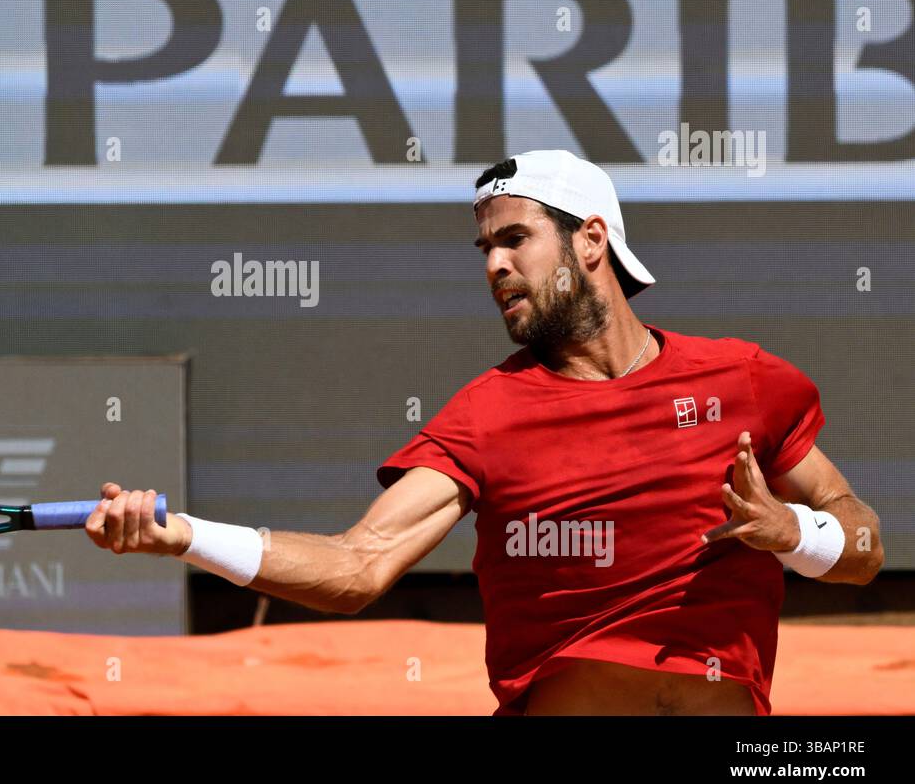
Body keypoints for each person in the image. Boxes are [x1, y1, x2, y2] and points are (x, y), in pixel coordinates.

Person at [85, 149, 884, 715]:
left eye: (514, 240)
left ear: (592, 240)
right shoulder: (486, 415)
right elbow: (357, 566)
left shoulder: (741, 380)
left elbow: (863, 549)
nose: (494, 265)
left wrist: (791, 533)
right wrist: (183, 534)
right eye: (485, 249)